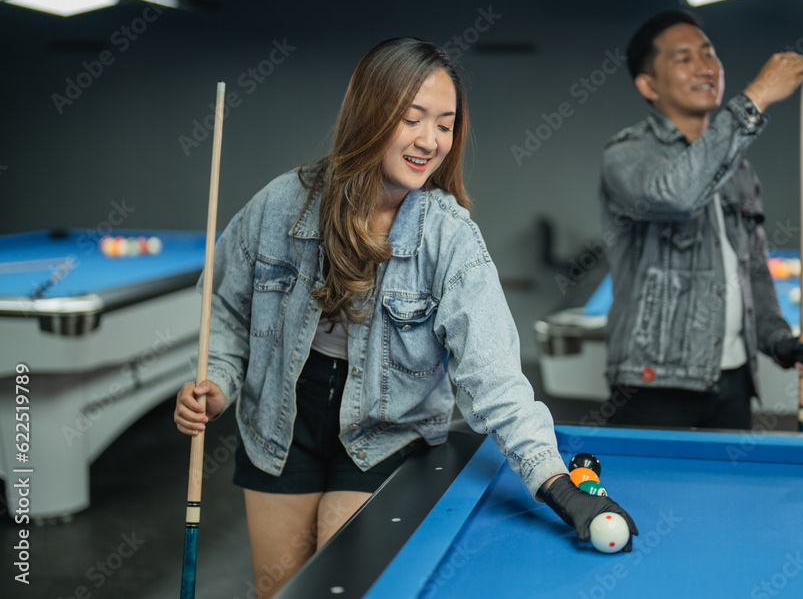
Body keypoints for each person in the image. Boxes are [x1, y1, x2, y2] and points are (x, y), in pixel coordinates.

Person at [174, 38, 636, 598]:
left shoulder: (451, 238)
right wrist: (217, 380)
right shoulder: (282, 203)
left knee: (337, 589)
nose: (429, 141)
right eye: (411, 119)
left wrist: (555, 481)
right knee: (279, 592)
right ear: (369, 114)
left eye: (444, 124)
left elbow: (494, 379)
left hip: (384, 434)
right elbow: (222, 303)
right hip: (279, 421)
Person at [599, 11, 803, 430]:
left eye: (709, 54)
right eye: (684, 58)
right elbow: (679, 195)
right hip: (653, 384)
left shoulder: (737, 167)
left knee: (732, 496)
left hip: (735, 383)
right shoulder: (626, 155)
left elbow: (753, 268)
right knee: (642, 498)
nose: (706, 67)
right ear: (648, 84)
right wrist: (756, 98)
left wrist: (778, 340)